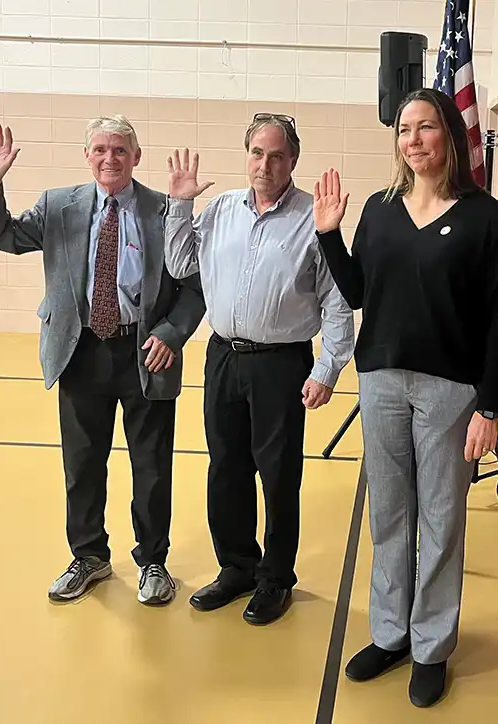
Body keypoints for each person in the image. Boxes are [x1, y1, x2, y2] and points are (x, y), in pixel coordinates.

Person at [312, 88, 498, 707]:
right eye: (405, 129)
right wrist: (330, 236)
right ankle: (390, 632)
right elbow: (355, 293)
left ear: (451, 137)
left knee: (441, 518)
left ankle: (431, 646)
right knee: (390, 514)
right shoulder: (378, 209)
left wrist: (488, 405)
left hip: (451, 390)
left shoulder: (487, 218)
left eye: (426, 128)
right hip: (380, 380)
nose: (414, 140)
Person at [0, 116, 206, 607]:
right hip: (80, 351)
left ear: (136, 157)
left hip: (146, 353)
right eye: (100, 149)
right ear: (87, 156)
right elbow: (3, 237)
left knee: (152, 465)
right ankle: (90, 556)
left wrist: (171, 332)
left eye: (120, 150)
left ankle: (154, 561)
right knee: (81, 465)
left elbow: (195, 286)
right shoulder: (59, 206)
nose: (110, 159)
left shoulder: (164, 209)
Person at [163, 113, 355, 625]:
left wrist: (328, 367)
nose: (264, 164)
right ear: (246, 155)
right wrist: (180, 203)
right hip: (223, 356)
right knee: (225, 469)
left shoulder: (314, 219)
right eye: (256, 153)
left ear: (292, 161)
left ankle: (274, 578)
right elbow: (182, 265)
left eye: (276, 155)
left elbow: (337, 303)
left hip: (281, 364)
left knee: (277, 475)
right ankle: (237, 567)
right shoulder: (221, 208)